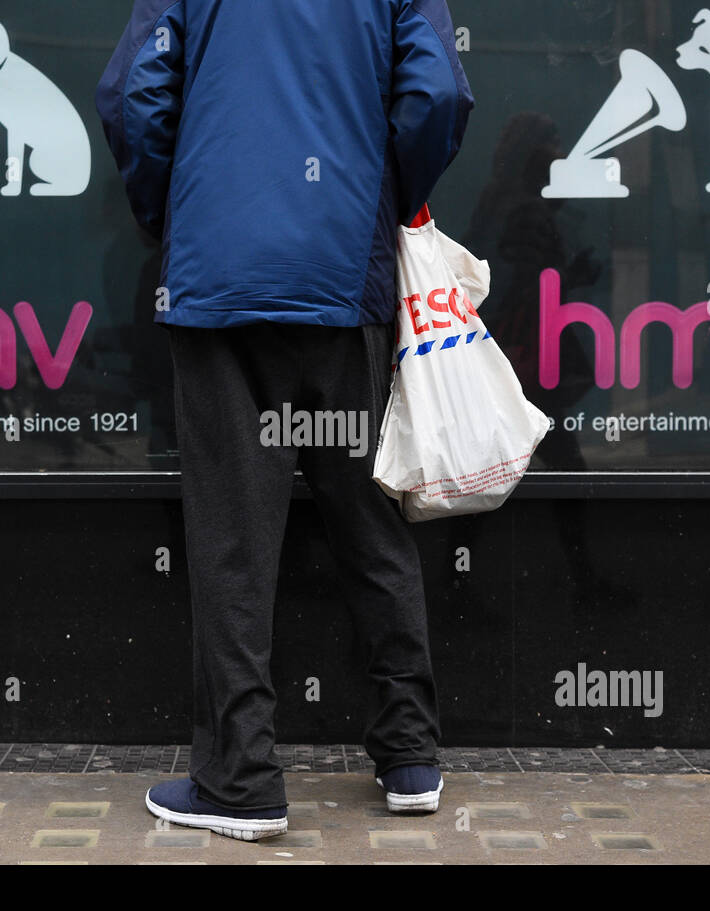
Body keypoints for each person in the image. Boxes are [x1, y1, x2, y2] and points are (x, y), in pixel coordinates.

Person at [96, 0, 474, 841]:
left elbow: (132, 95)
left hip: (223, 283)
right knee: (370, 515)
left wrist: (176, 209)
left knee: (234, 533)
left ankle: (240, 780)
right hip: (345, 278)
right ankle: (411, 755)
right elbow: (439, 93)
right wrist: (383, 199)